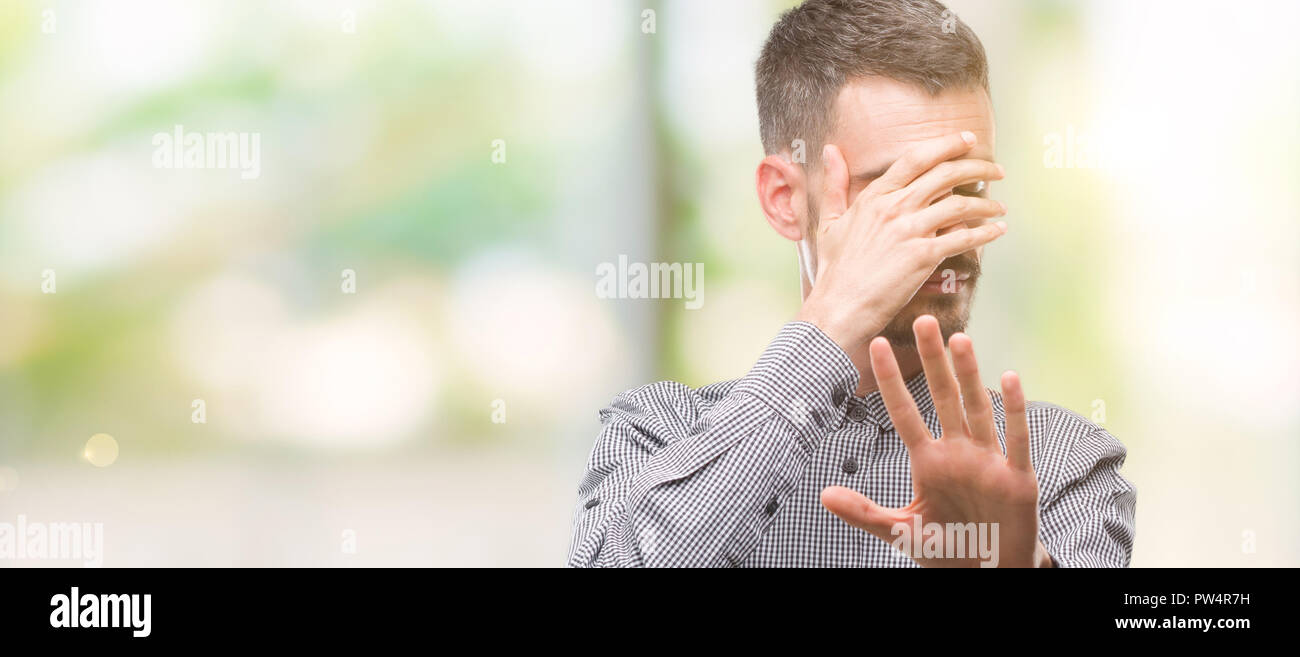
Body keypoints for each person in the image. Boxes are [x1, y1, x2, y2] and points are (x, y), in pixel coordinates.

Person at [566, 0, 1136, 567]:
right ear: (785, 200)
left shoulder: (1058, 462)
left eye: (965, 189)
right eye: (898, 191)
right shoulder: (658, 433)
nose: (945, 232)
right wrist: (833, 318)